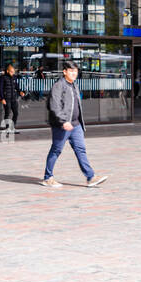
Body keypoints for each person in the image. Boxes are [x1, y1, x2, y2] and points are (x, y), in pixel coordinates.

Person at [41, 60, 107, 189]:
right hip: (62, 125)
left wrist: (79, 122)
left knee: (81, 150)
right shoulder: (59, 85)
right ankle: (48, 178)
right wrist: (63, 121)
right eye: (71, 71)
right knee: (56, 150)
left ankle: (91, 177)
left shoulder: (74, 85)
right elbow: (54, 105)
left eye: (75, 71)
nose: (74, 73)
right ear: (64, 72)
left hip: (76, 125)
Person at [0, 63, 25, 129]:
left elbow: (16, 86)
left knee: (16, 113)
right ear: (7, 71)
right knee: (7, 113)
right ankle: (7, 127)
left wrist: (20, 92)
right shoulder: (2, 78)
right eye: (11, 72)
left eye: (13, 72)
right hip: (6, 98)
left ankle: (12, 127)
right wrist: (2, 98)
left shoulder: (14, 77)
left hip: (13, 98)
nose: (13, 73)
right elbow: (0, 89)